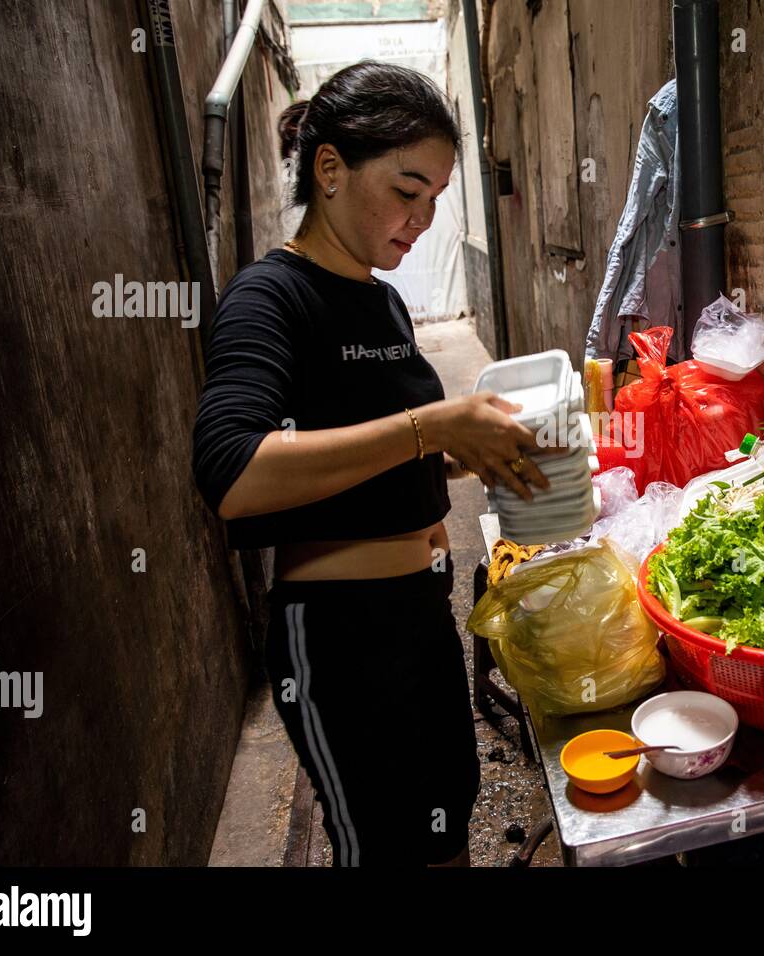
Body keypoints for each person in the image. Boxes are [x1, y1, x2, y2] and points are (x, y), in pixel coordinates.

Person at [191, 60, 548, 867]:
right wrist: (431, 426)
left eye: (433, 200)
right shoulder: (269, 298)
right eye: (405, 189)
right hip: (341, 635)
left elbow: (370, 444)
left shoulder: (380, 297)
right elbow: (232, 472)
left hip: (419, 615)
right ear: (329, 169)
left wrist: (464, 455)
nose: (419, 219)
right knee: (385, 847)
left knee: (445, 820)